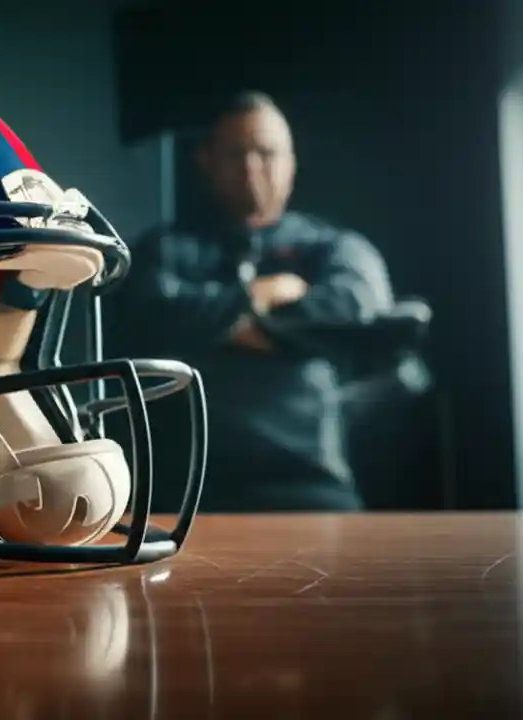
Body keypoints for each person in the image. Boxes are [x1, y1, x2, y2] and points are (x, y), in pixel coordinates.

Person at [108, 91, 394, 511]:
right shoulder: (161, 250)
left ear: (291, 160)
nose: (250, 167)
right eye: (235, 153)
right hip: (184, 495)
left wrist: (217, 325)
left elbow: (358, 317)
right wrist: (258, 295)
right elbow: (145, 317)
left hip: (313, 488)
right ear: (206, 160)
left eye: (266, 152)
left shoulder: (336, 249)